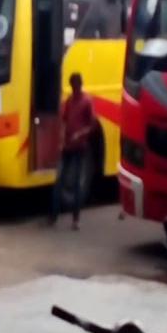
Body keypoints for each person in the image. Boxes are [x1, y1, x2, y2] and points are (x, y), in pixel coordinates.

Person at [50, 72, 95, 230]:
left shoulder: (87, 101)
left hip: (79, 148)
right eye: (73, 86)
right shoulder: (70, 100)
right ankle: (53, 216)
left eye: (76, 86)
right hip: (67, 147)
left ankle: (76, 220)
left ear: (79, 85)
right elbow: (63, 120)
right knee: (59, 182)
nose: (74, 88)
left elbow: (92, 125)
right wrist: (62, 140)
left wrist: (80, 134)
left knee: (76, 183)